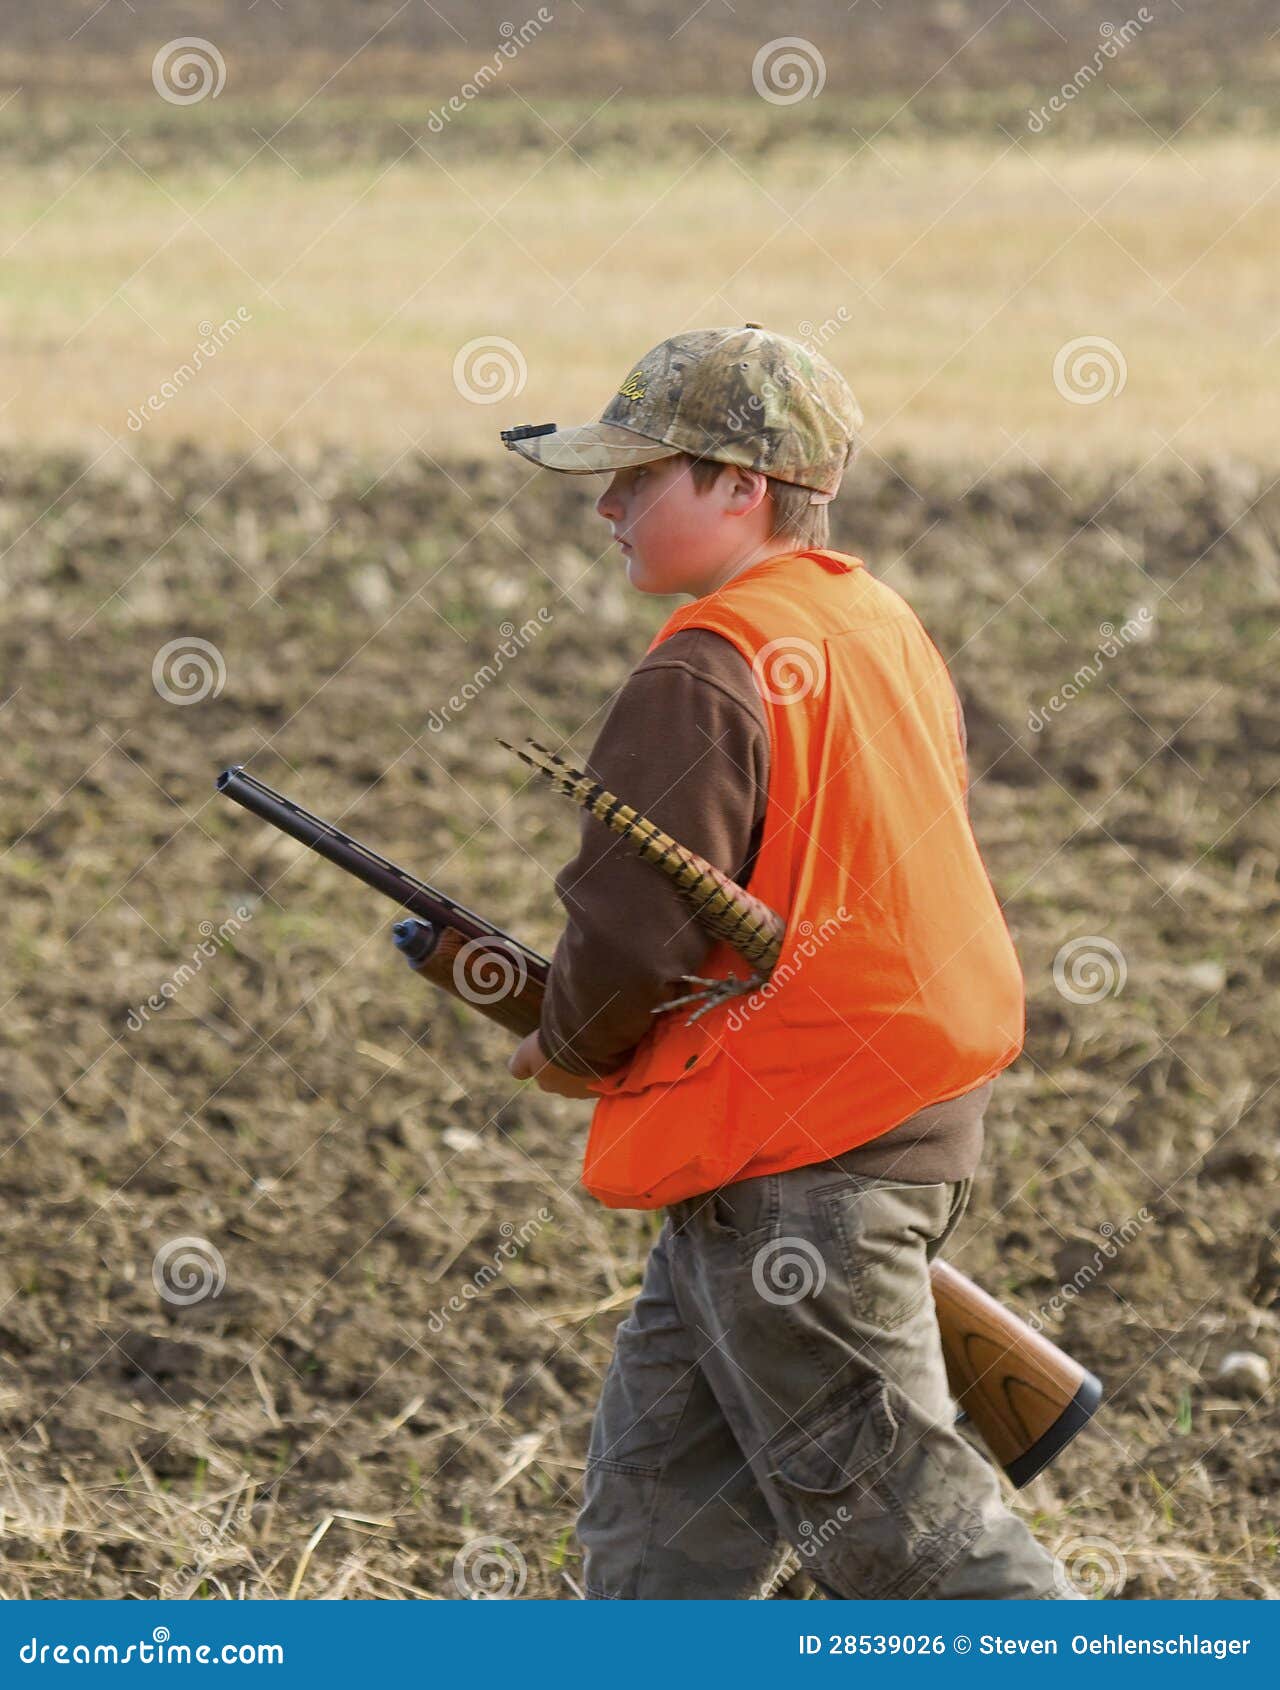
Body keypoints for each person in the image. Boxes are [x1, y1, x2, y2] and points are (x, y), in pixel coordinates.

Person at [501, 325, 1080, 1600]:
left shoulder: (705, 667)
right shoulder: (870, 621)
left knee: (913, 1550)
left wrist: (565, 1038)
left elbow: (630, 929)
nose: (604, 504)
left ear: (737, 485)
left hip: (796, 1163)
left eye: (636, 475)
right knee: (658, 1540)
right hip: (829, 1136)